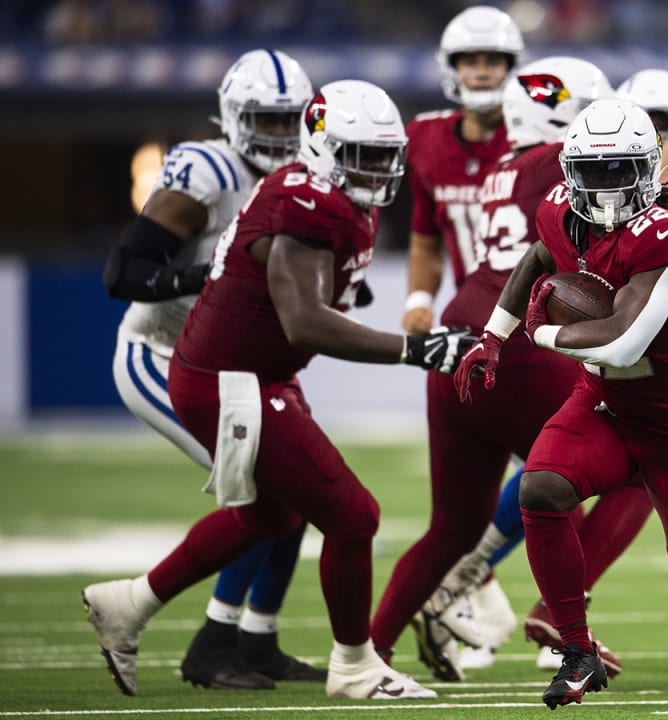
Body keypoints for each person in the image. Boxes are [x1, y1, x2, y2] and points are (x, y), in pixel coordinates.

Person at [82, 79, 473, 700]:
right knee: (354, 516)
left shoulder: (332, 197)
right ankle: (355, 666)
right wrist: (414, 349)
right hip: (230, 380)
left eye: (383, 155)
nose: (376, 169)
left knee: (270, 515)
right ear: (321, 147)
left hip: (250, 373)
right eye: (361, 155)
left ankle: (129, 603)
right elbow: (305, 320)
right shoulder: (305, 200)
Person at [402, 58, 668, 680]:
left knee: (554, 477)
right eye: (653, 125)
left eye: (663, 125)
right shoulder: (579, 175)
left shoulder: (543, 171)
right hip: (582, 346)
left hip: (557, 331)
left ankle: (472, 572)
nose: (660, 142)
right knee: (566, 474)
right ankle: (497, 588)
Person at [455, 98, 668, 709]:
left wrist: (537, 332)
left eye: (619, 169)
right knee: (540, 488)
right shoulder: (557, 213)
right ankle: (576, 650)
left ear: (647, 169)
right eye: (593, 171)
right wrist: (493, 334)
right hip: (603, 403)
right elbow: (536, 260)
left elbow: (624, 341)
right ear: (571, 171)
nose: (604, 187)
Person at [370, 54, 613, 683]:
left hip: (463, 331)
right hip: (520, 342)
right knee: (606, 473)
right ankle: (567, 634)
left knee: (452, 525)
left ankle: (367, 654)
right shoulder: (558, 160)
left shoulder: (502, 168)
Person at [103, 48, 326, 690]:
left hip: (244, 361)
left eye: (291, 121)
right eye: (267, 119)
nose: (282, 135)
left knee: (304, 486)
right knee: (268, 490)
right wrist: (209, 277)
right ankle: (209, 641)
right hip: (168, 355)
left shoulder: (311, 172)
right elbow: (124, 274)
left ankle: (256, 640)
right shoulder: (209, 169)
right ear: (233, 115)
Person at [384, 5, 528, 674]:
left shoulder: (535, 137)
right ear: (450, 69)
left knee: (540, 475)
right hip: (474, 329)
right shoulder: (427, 139)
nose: (481, 71)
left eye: (493, 61)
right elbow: (422, 235)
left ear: (512, 68)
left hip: (536, 327)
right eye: (471, 60)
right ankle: (472, 592)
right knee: (576, 464)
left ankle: (459, 592)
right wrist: (417, 298)